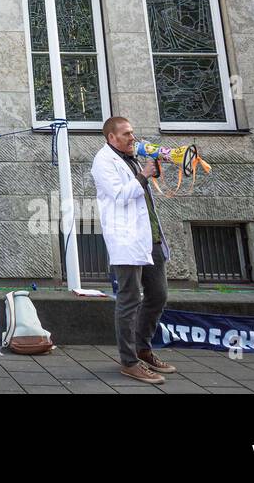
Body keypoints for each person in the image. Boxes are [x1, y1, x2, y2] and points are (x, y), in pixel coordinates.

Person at [92, 116, 177, 385]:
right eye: (127, 134)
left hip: (149, 237)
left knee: (158, 295)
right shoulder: (103, 161)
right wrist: (144, 175)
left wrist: (150, 170)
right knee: (129, 300)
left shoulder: (132, 157)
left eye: (133, 132)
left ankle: (143, 349)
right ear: (112, 138)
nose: (133, 138)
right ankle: (129, 362)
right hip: (126, 239)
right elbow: (119, 195)